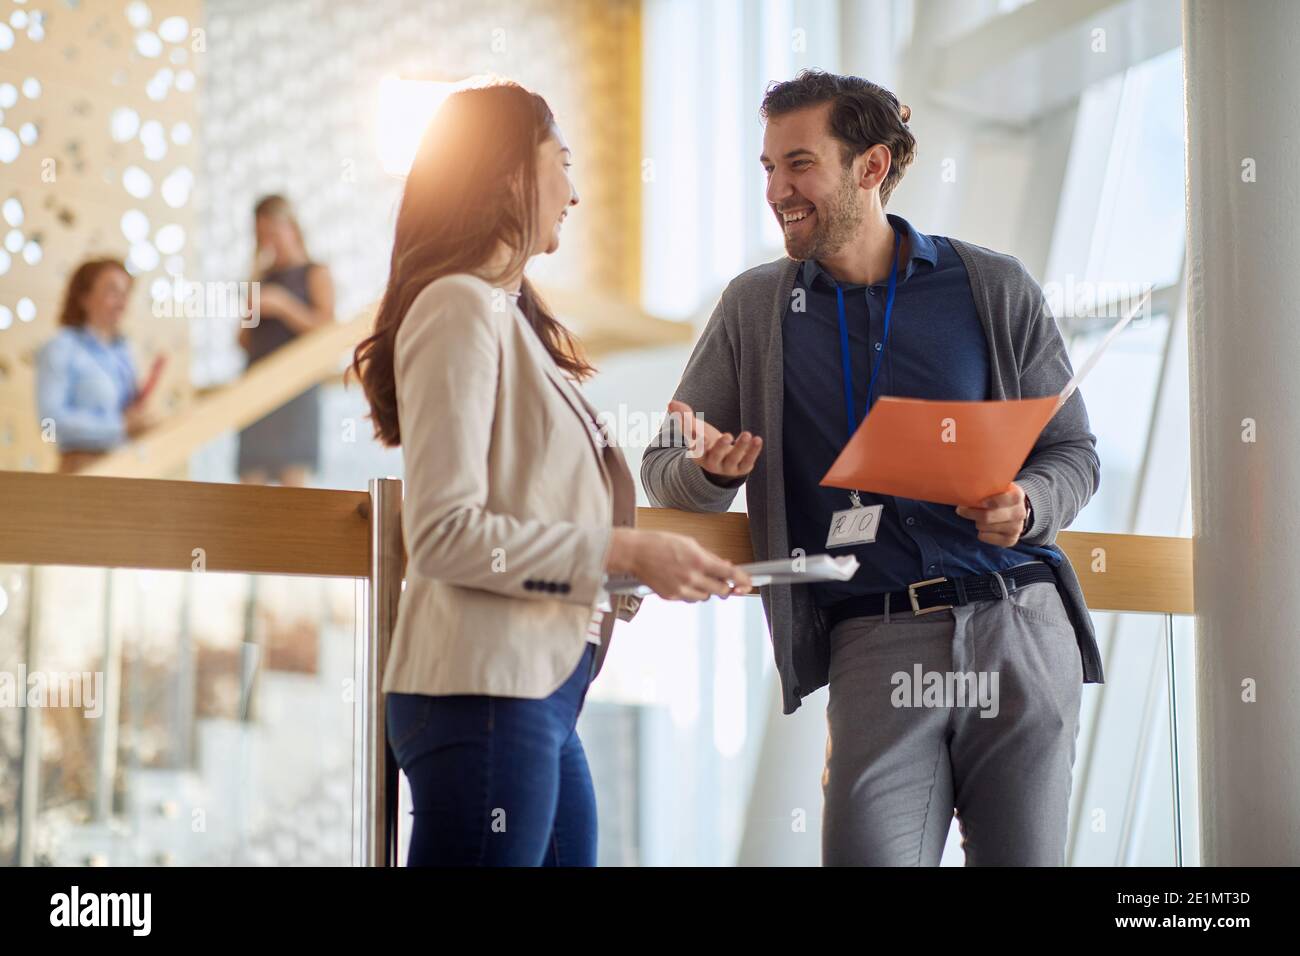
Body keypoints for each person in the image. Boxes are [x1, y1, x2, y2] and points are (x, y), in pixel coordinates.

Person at [642, 70, 1103, 866]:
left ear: (871, 167)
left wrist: (1029, 503)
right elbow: (662, 469)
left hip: (1018, 621)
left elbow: (1073, 453)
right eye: (768, 170)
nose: (778, 190)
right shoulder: (756, 308)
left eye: (799, 164)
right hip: (876, 638)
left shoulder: (990, 286)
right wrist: (712, 474)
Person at [352, 78, 751, 867]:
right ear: (508, 175)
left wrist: (638, 565)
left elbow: (531, 508)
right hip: (484, 690)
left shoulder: (506, 318)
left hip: (534, 688)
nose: (574, 191)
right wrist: (627, 552)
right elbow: (443, 534)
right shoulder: (458, 307)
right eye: (560, 162)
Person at [236, 194, 333, 486]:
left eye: (273, 233)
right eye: (262, 236)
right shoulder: (261, 279)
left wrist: (284, 306)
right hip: (257, 384)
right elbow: (243, 341)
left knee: (293, 484)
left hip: (295, 389)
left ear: (292, 228)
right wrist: (251, 304)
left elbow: (327, 330)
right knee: (250, 484)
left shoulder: (315, 273)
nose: (269, 243)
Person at [36, 258, 160, 473]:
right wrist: (119, 426)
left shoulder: (124, 351)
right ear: (84, 298)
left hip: (126, 469)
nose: (122, 302)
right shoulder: (60, 348)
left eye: (125, 293)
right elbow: (50, 425)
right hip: (81, 472)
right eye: (112, 291)